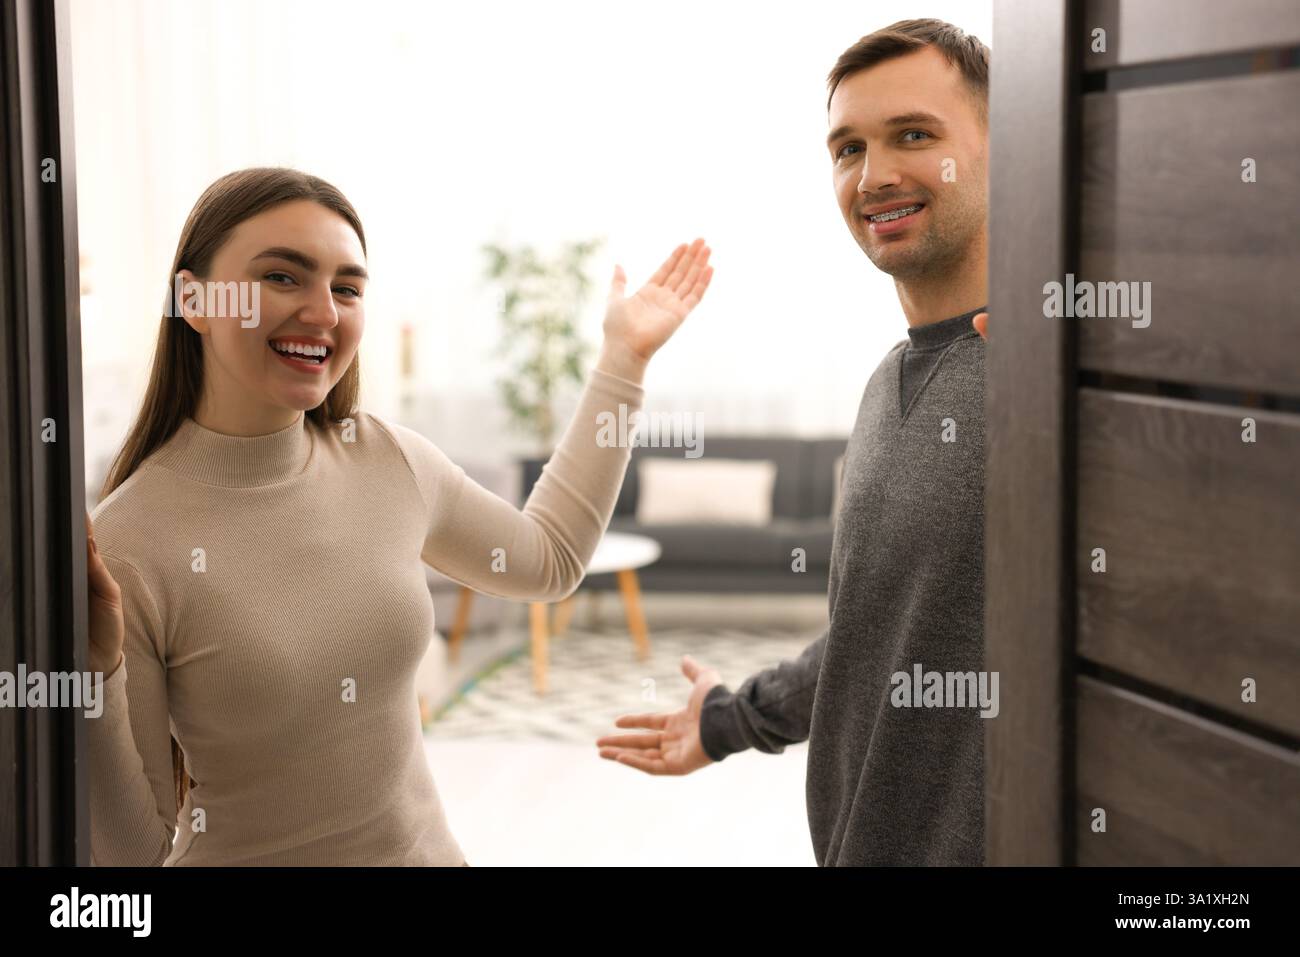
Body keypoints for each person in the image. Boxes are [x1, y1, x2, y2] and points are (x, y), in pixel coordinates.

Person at [85, 166, 712, 865]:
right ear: (193, 300)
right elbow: (129, 860)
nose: (323, 312)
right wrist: (95, 674)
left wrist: (622, 362)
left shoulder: (386, 460)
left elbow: (549, 559)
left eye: (346, 287)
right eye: (283, 278)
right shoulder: (130, 540)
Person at [596, 19, 992, 866]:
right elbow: (875, 633)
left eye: (913, 135)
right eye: (847, 149)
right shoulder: (886, 387)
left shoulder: (1062, 379)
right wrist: (733, 718)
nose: (874, 175)